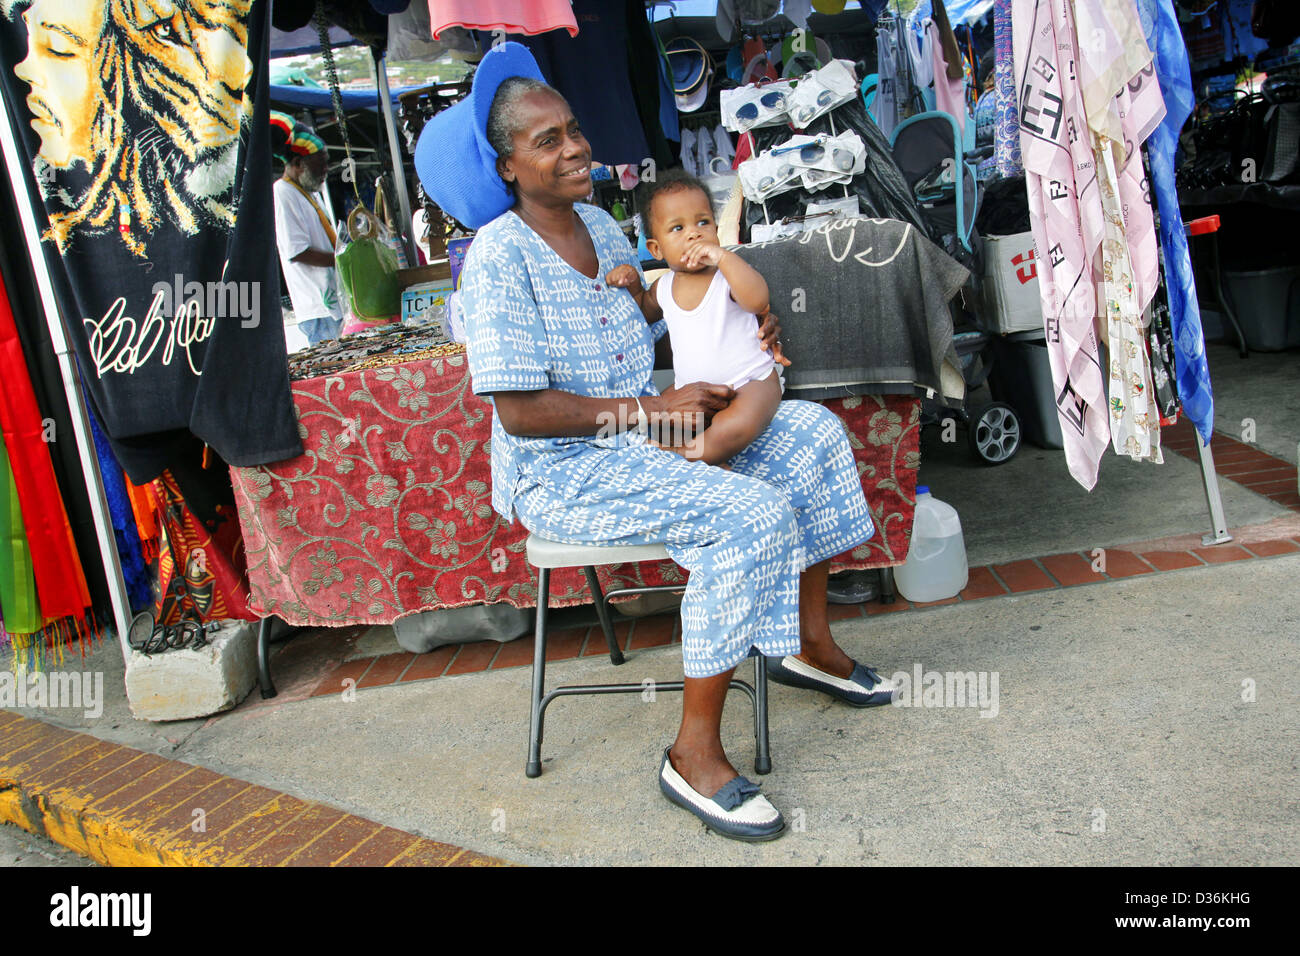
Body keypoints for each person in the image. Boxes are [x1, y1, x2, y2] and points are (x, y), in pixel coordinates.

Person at [416, 42, 899, 843]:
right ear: (507, 168)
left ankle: (810, 645)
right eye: (548, 142)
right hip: (565, 467)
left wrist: (736, 317)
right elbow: (522, 415)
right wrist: (648, 407)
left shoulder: (604, 228)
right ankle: (693, 753)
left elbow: (642, 314)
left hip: (647, 430)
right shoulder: (499, 259)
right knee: (745, 516)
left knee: (811, 431)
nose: (575, 148)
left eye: (572, 129)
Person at [606, 169, 787, 467]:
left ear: (716, 229)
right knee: (659, 421)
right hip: (694, 392)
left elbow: (757, 301)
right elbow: (642, 316)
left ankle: (685, 458)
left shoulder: (726, 276)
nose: (694, 233)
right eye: (677, 228)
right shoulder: (663, 288)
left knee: (735, 426)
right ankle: (695, 457)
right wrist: (634, 286)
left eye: (703, 222)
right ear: (656, 248)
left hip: (749, 383)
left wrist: (724, 257)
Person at [270, 112, 343, 346]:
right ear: (299, 164)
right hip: (317, 308)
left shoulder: (308, 193)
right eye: (320, 163)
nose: (326, 169)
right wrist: (342, 259)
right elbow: (297, 251)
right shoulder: (283, 193)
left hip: (331, 304)